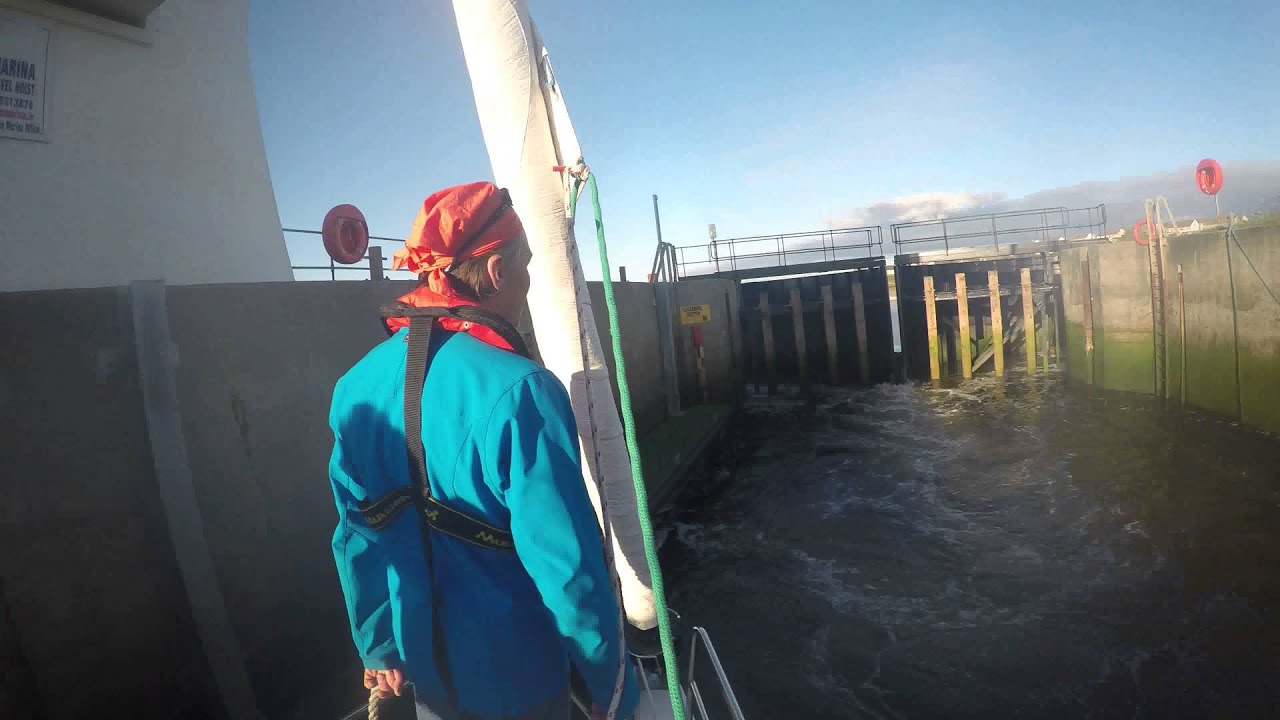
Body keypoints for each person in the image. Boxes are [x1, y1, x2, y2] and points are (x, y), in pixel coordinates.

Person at [327, 181, 640, 720]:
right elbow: (568, 571)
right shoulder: (523, 391)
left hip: (425, 676)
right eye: (525, 268)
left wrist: (378, 645)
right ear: (496, 272)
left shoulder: (352, 388)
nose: (526, 283)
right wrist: (615, 688)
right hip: (517, 681)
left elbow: (356, 537)